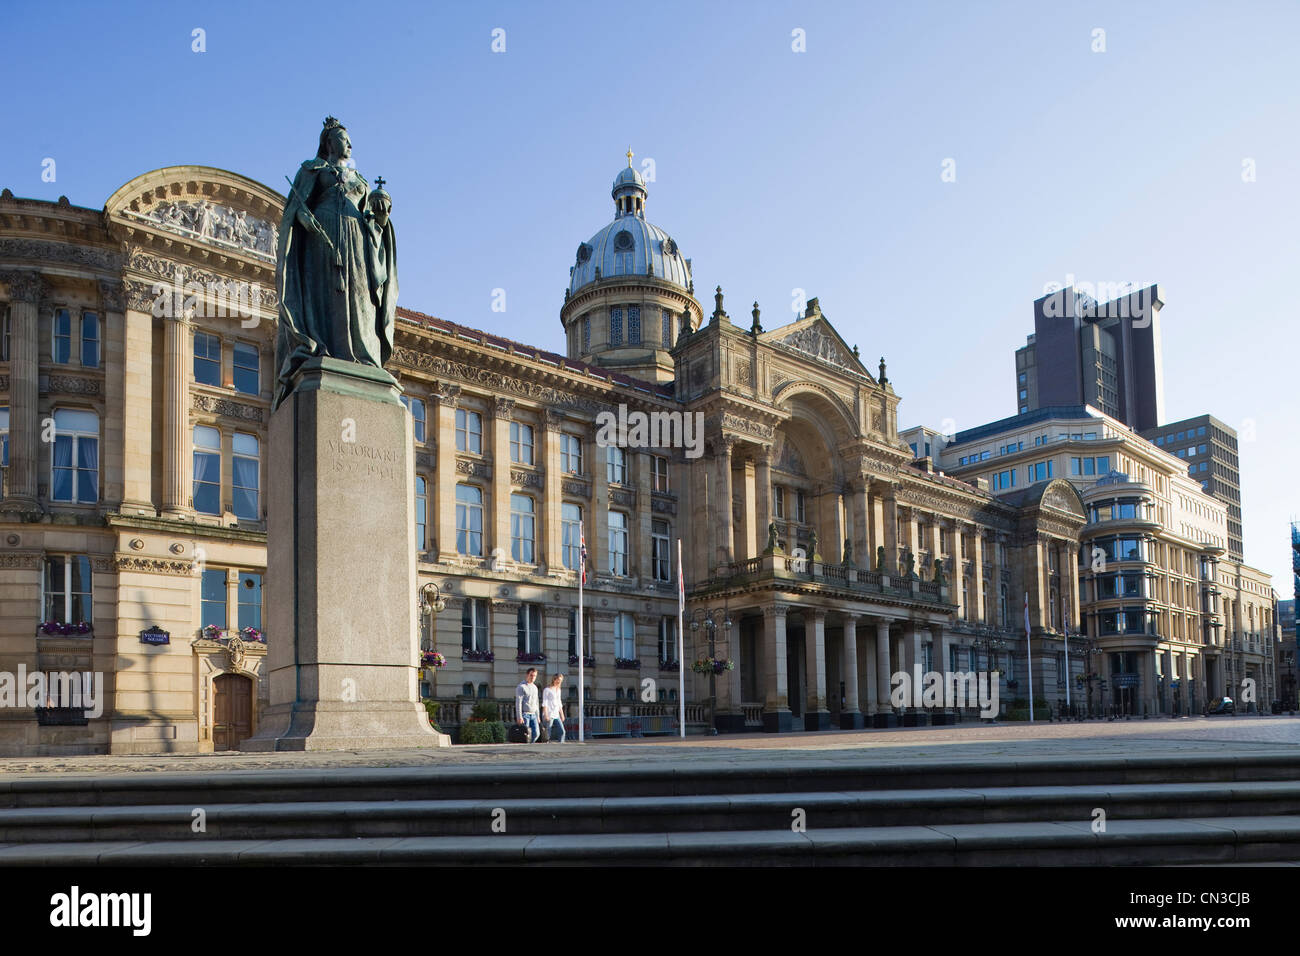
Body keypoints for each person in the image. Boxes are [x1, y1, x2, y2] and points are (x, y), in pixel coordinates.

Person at [515, 668, 540, 743]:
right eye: (531, 675)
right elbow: (518, 702)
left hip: (533, 714)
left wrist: (538, 716)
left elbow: (537, 702)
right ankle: (525, 749)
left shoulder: (535, 687)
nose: (533, 677)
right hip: (525, 714)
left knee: (536, 734)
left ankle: (530, 746)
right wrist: (519, 717)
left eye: (535, 676)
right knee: (525, 735)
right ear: (527, 675)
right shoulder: (521, 687)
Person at [542, 673, 566, 743]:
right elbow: (545, 702)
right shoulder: (547, 690)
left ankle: (561, 744)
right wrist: (546, 715)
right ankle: (546, 745)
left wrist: (562, 714)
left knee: (562, 731)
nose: (559, 682)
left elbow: (559, 702)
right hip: (549, 713)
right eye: (558, 680)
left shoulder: (558, 690)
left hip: (556, 714)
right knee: (548, 732)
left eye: (560, 681)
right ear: (554, 679)